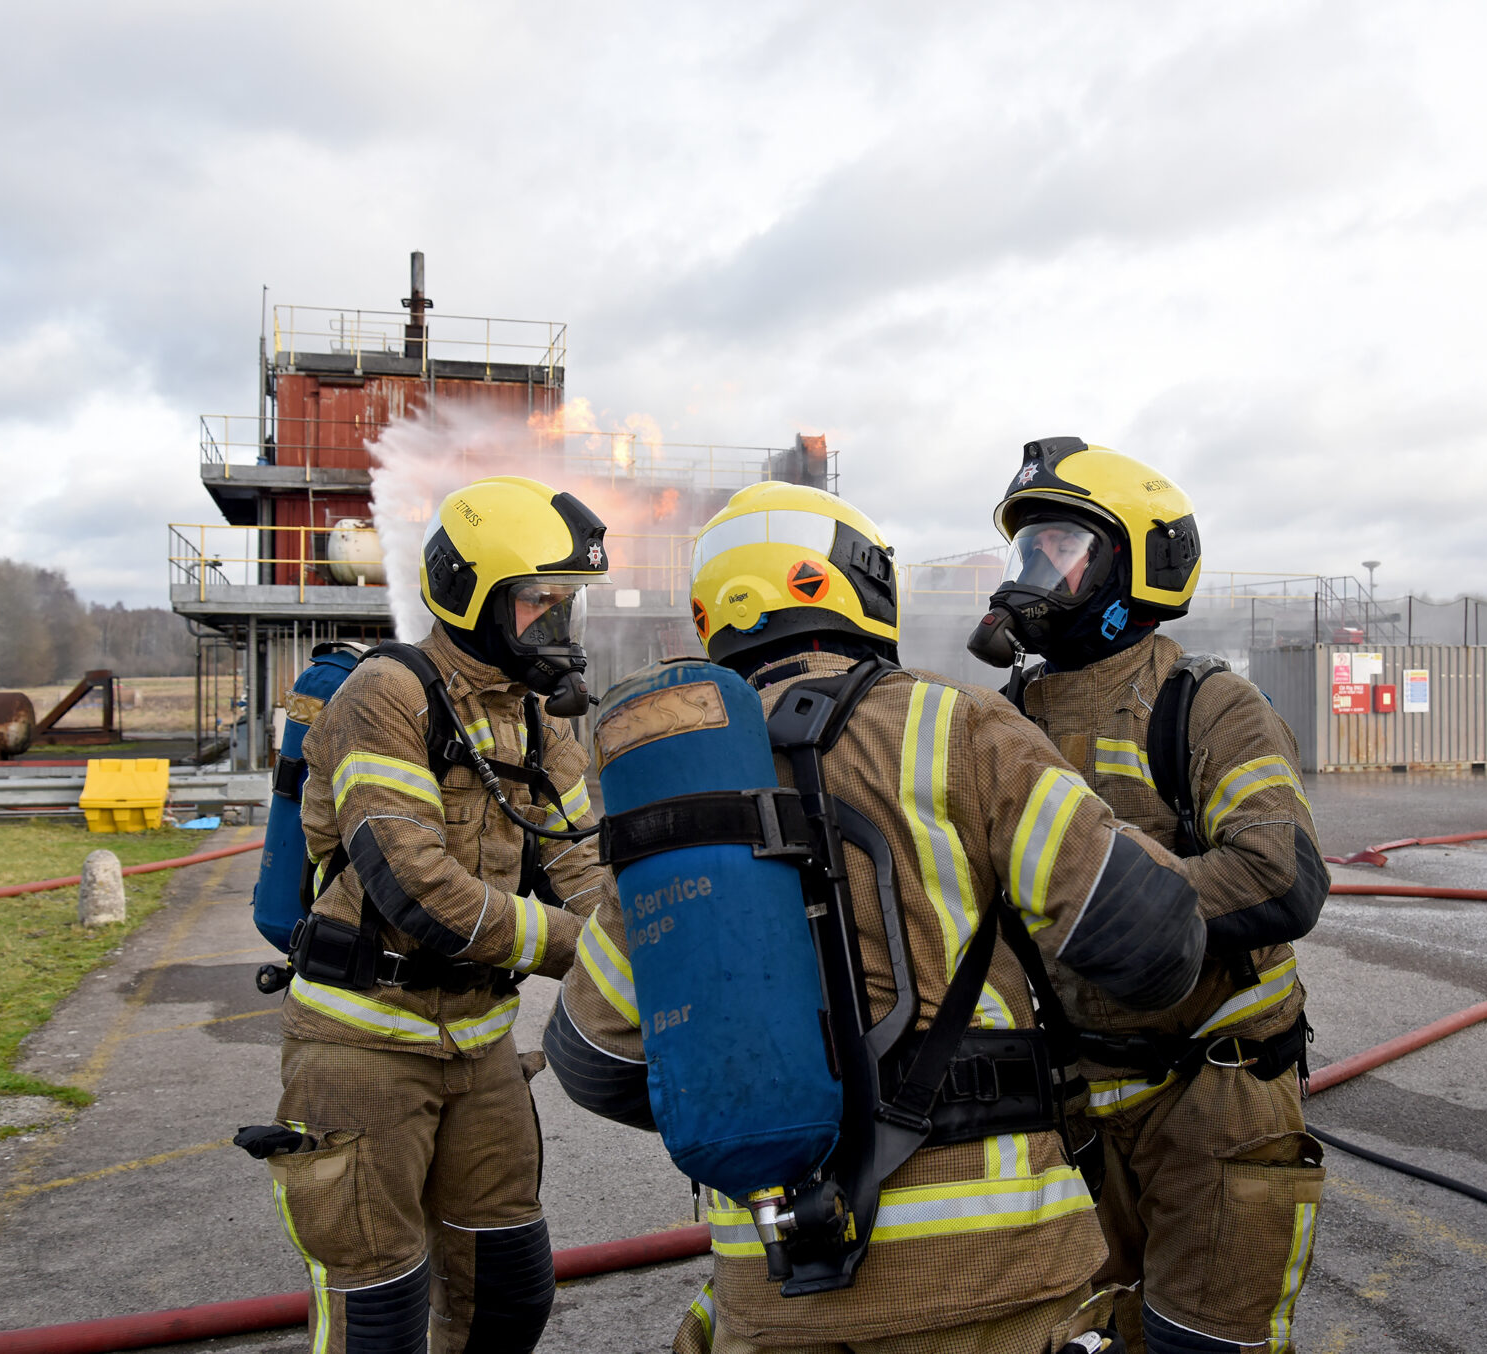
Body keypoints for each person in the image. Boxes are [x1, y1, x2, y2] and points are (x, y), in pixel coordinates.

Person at [544, 481, 1213, 1354]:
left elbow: (590, 1054)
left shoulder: (684, 788)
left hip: (774, 1285)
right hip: (992, 1273)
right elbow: (1153, 938)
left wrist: (762, 1084)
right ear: (856, 582)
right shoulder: (955, 723)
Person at [969, 437, 1329, 1354]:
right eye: (1025, 551)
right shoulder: (1005, 723)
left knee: (1198, 1343)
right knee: (1086, 1335)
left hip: (1214, 1097)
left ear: (1138, 564)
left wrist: (1117, 906)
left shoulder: (1203, 705)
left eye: (1057, 549)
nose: (1030, 574)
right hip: (1074, 1105)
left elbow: (1279, 873)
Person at [251, 475, 613, 1354]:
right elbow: (415, 888)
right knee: (379, 1311)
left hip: (480, 1041)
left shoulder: (536, 717)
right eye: (539, 603)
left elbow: (584, 861)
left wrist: (652, 940)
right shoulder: (385, 695)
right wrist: (592, 953)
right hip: (362, 1041)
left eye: (570, 605)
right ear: (473, 596)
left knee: (510, 1295)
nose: (560, 627)